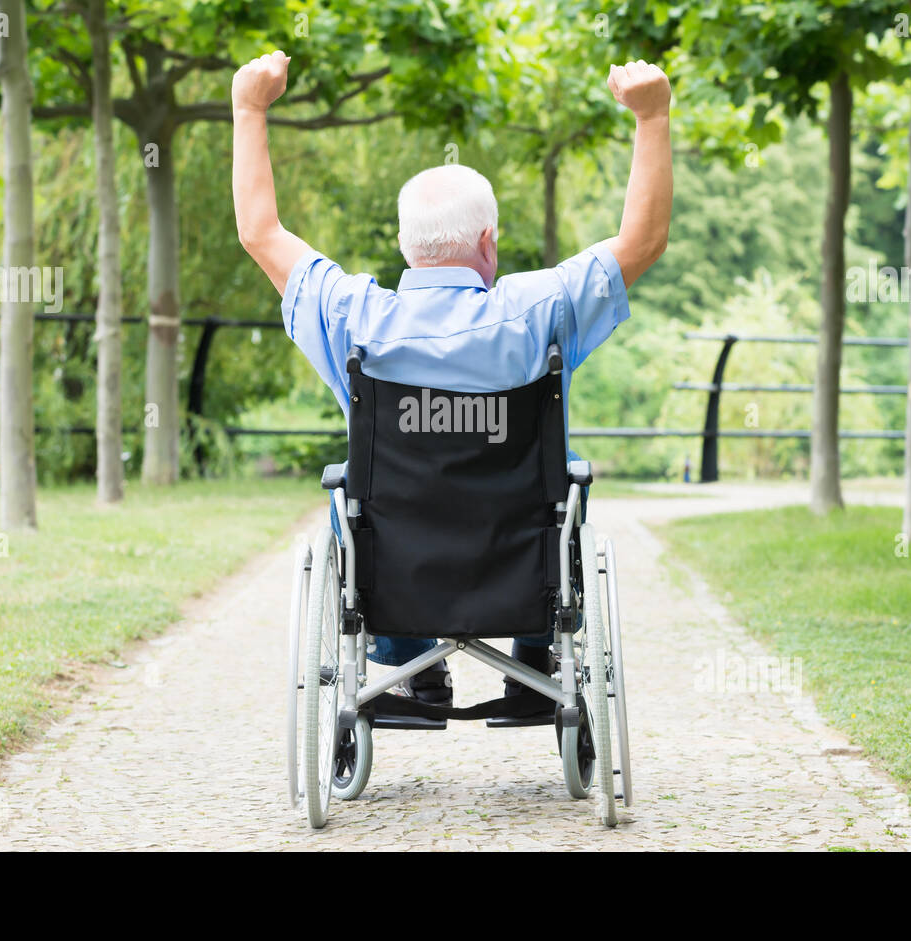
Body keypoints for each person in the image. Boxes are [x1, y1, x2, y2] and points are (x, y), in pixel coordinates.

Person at [232, 50, 673, 706]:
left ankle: (407, 661)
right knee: (566, 479)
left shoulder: (354, 316)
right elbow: (641, 241)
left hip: (397, 576)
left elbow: (260, 233)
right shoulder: (540, 310)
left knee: (350, 492)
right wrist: (653, 116)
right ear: (488, 242)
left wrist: (248, 108)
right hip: (522, 573)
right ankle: (535, 650)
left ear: (409, 245)